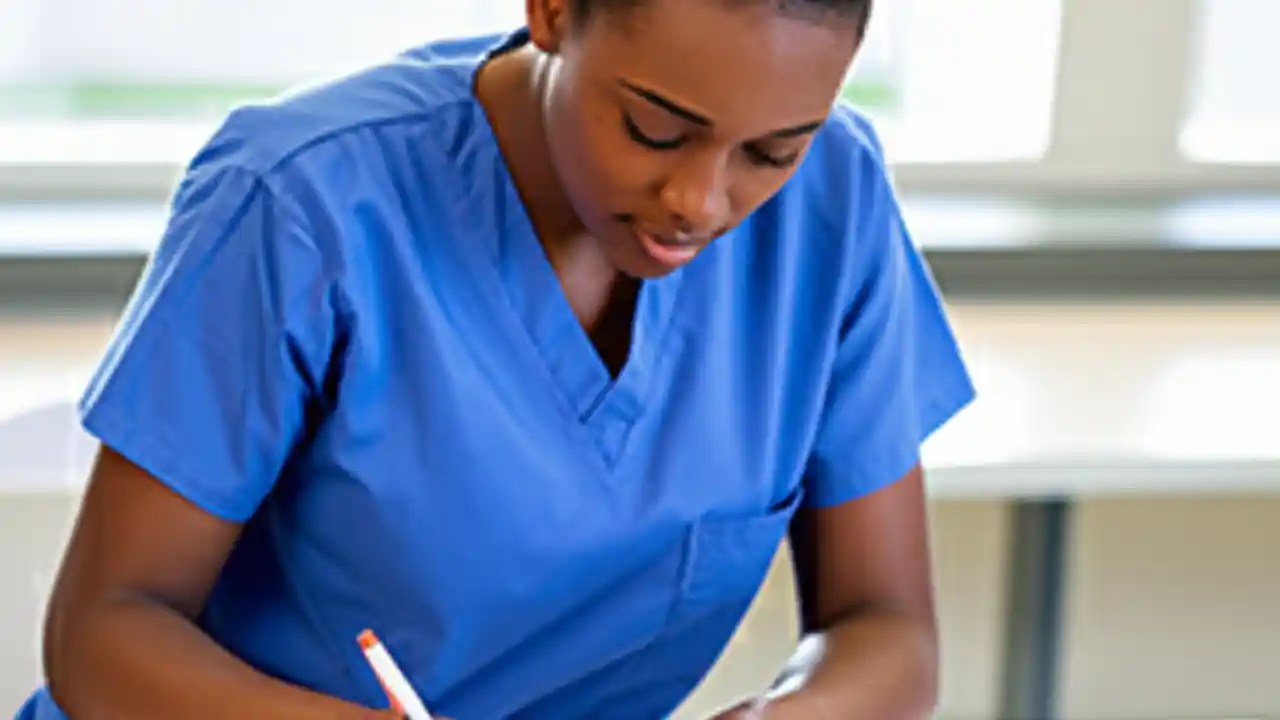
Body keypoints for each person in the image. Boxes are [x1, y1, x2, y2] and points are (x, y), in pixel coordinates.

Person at [17, 0, 975, 717]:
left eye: (771, 154)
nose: (700, 199)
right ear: (552, 10)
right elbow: (104, 635)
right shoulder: (308, 203)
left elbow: (886, 631)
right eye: (655, 129)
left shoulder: (836, 203)